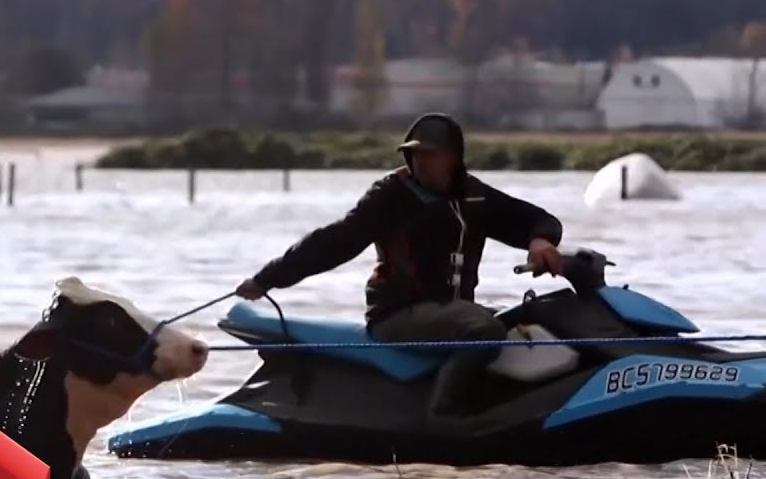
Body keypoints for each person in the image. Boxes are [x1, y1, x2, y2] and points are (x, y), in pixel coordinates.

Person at [234, 112, 565, 419]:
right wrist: (268, 278)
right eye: (415, 154)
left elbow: (535, 219)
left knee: (521, 318)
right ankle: (443, 416)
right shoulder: (390, 196)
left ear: (452, 159)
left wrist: (540, 240)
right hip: (397, 315)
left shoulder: (474, 197)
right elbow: (334, 242)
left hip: (450, 312)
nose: (420, 162)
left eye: (430, 155)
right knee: (485, 330)